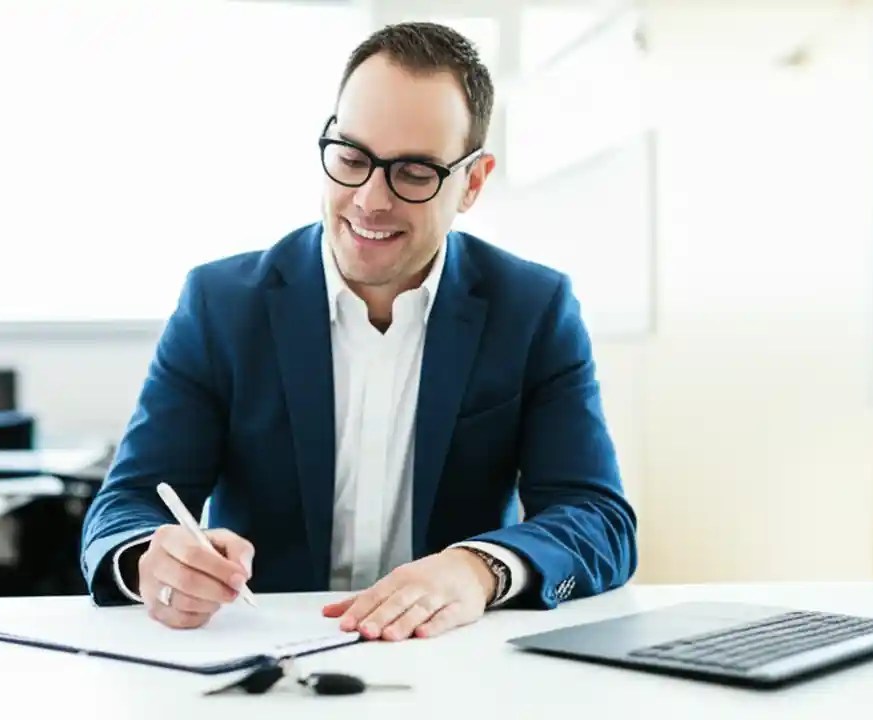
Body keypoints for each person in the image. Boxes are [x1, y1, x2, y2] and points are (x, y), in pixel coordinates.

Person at [80, 22, 638, 641]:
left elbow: (598, 518)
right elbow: (124, 508)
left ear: (472, 183)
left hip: (454, 662)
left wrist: (479, 569)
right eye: (351, 158)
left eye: (416, 173)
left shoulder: (532, 309)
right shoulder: (221, 305)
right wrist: (148, 563)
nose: (370, 200)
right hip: (266, 658)